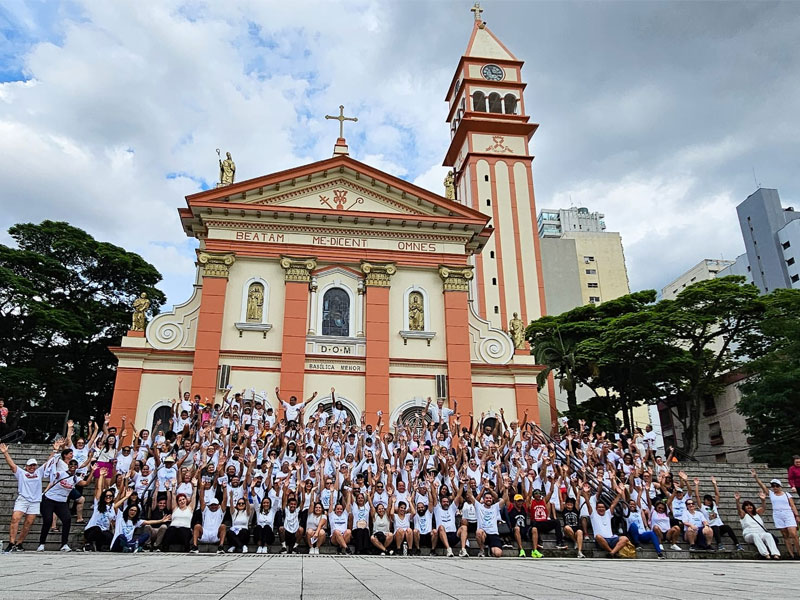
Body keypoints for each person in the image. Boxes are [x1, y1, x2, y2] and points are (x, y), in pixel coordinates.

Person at [0, 441, 58, 552]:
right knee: (15, 518)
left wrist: (55, 450)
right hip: (23, 499)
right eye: (30, 466)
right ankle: (11, 542)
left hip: (35, 501)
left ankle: (19, 543)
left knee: (28, 523)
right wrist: (5, 453)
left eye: (34, 465)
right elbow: (12, 465)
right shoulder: (21, 473)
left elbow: (48, 462)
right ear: (26, 467)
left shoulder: (39, 472)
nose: (32, 467)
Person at [37, 449, 93, 552]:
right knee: (48, 520)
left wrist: (93, 471)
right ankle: (41, 544)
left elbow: (85, 484)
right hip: (49, 499)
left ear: (76, 467)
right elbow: (50, 464)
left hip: (61, 502)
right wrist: (54, 451)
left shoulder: (76, 478)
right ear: (68, 466)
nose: (72, 466)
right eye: (71, 464)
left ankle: (64, 544)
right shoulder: (60, 473)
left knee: (67, 520)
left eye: (74, 465)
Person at [753, 470, 800, 559]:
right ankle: (791, 554)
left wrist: (797, 515)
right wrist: (756, 477)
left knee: (793, 533)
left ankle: (799, 552)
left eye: (777, 486)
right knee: (785, 535)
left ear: (780, 486)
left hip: (787, 513)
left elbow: (792, 505)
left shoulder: (786, 494)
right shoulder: (771, 494)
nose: (775, 488)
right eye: (773, 486)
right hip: (777, 514)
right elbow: (762, 486)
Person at [695, 476, 743, 551]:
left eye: (710, 500)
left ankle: (737, 544)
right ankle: (719, 544)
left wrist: (714, 484)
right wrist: (697, 485)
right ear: (704, 501)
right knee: (715, 527)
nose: (709, 502)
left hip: (719, 526)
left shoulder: (714, 505)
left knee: (727, 527)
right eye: (707, 500)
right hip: (711, 527)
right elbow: (697, 496)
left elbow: (717, 495)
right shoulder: (702, 507)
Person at [582, 483, 630, 558]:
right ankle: (612, 551)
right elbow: (588, 504)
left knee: (625, 538)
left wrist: (620, 494)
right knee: (598, 536)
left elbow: (614, 504)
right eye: (599, 507)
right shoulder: (593, 514)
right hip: (601, 540)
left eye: (603, 507)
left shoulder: (608, 513)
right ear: (596, 508)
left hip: (611, 538)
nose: (601, 509)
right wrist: (585, 493)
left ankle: (612, 553)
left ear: (605, 508)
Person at [734, 492, 780, 559]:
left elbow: (763, 508)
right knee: (755, 535)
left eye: (750, 505)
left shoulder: (757, 513)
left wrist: (763, 500)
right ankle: (765, 554)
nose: (749, 506)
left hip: (761, 533)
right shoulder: (744, 515)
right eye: (747, 505)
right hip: (749, 534)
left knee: (768, 535)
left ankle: (775, 554)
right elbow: (739, 510)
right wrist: (737, 501)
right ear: (744, 507)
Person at [83, 468, 115, 551]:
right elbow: (99, 488)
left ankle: (100, 546)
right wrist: (101, 476)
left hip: (103, 531)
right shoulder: (98, 504)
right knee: (97, 529)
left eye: (110, 496)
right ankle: (88, 544)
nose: (108, 498)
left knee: (108, 534)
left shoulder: (112, 507)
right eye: (106, 496)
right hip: (92, 530)